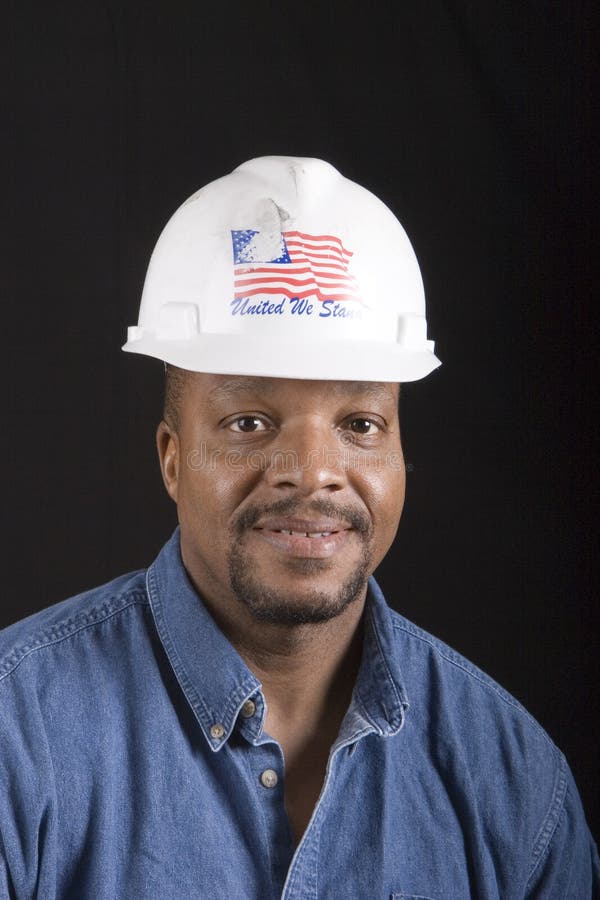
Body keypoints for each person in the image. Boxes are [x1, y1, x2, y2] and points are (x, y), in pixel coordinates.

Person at [0, 157, 597, 899]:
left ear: (402, 453)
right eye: (249, 422)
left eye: (360, 423)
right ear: (173, 458)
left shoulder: (514, 785)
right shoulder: (15, 740)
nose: (312, 471)